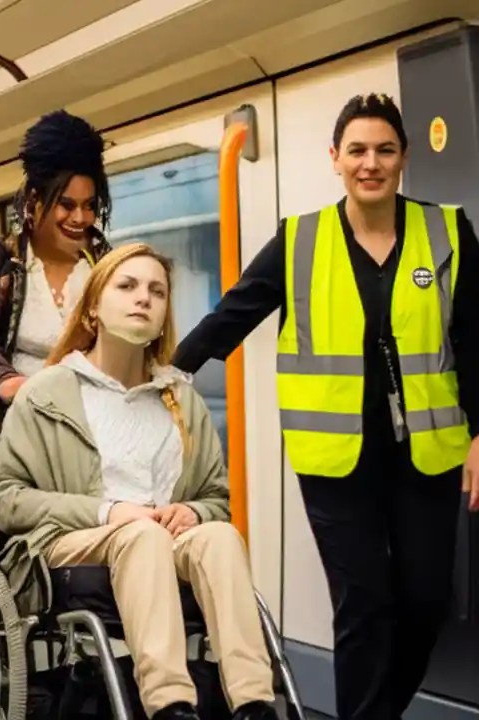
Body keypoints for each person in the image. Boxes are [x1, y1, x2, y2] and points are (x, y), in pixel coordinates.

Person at [172, 92, 479, 720]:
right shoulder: (299, 239)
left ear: (404, 158)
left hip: (429, 451)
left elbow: (476, 337)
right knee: (362, 604)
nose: (372, 163)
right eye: (358, 150)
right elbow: (231, 316)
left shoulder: (447, 231)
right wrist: (159, 372)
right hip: (335, 459)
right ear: (335, 158)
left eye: (385, 150)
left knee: (426, 602)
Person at [0, 243, 278, 720]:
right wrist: (109, 513)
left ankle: (253, 703)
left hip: (165, 541)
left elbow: (215, 498)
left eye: (156, 291)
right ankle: (169, 706)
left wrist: (195, 512)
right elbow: (2, 500)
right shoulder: (48, 392)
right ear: (94, 307)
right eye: (127, 286)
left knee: (220, 536)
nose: (143, 298)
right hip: (72, 542)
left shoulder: (180, 398)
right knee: (140, 534)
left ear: (165, 316)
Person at [0, 110, 114, 558]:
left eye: (89, 205)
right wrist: (8, 384)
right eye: (66, 204)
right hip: (16, 423)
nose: (80, 217)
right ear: (35, 199)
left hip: (94, 424)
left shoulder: (105, 265)